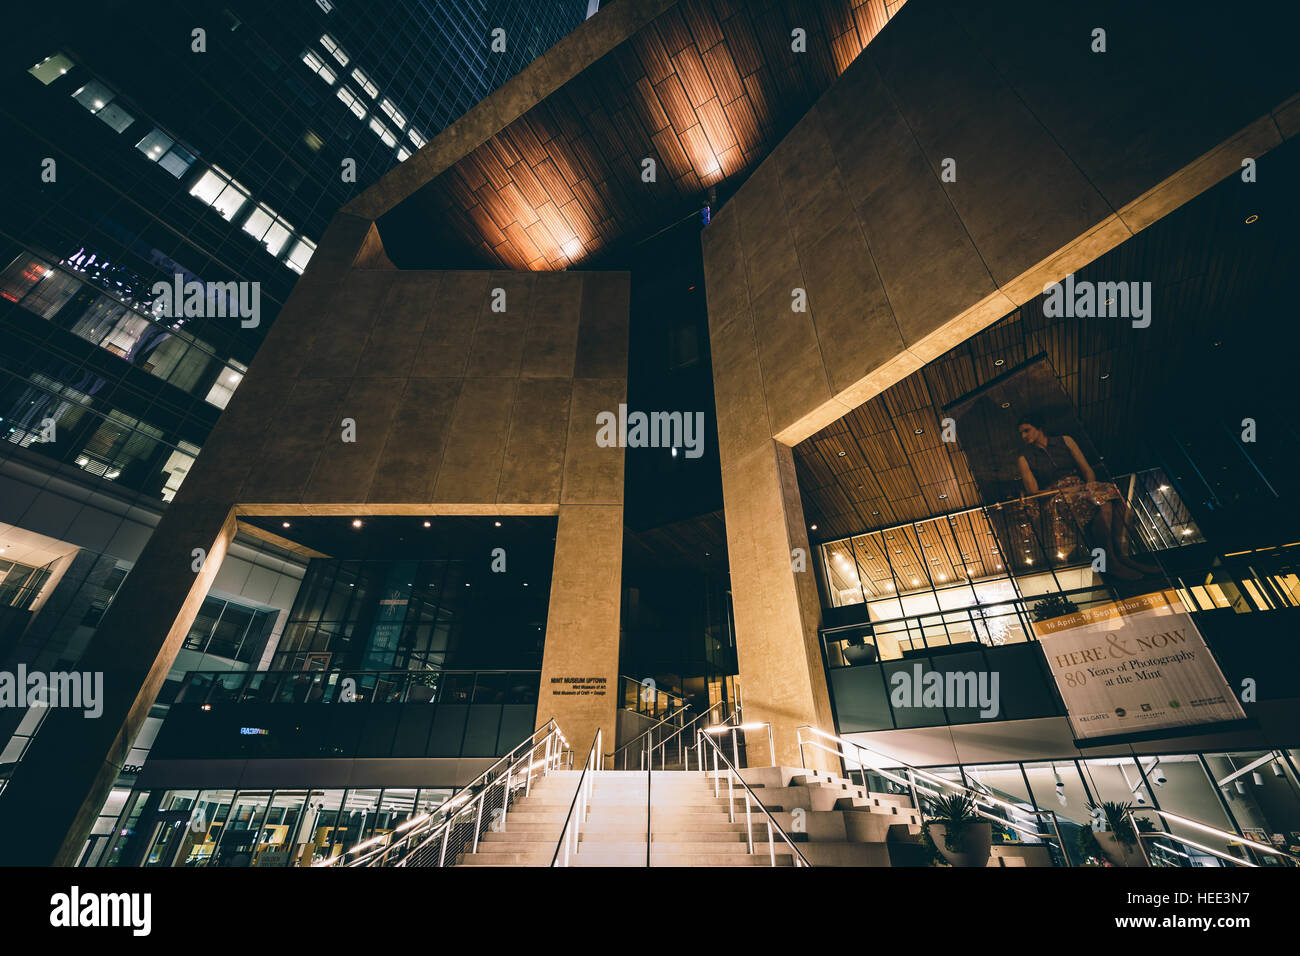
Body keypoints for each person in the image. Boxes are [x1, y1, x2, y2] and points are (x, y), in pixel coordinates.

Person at [1015, 416, 1157, 580]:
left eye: (1027, 430)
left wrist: (1090, 486)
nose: (1024, 436)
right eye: (1021, 433)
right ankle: (1113, 560)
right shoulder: (1024, 458)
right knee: (1102, 505)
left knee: (1108, 497)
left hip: (1081, 488)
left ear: (1038, 427)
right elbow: (1033, 492)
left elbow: (1087, 469)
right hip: (1056, 496)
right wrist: (1062, 491)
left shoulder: (1065, 441)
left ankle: (1118, 558)